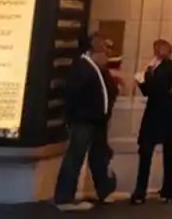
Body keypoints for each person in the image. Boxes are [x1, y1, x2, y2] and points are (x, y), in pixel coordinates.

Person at [54, 34, 119, 211]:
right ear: (94, 51)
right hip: (83, 121)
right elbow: (73, 95)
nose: (107, 56)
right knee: (75, 156)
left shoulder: (99, 70)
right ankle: (64, 197)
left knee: (99, 157)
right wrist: (74, 117)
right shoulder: (82, 68)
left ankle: (104, 191)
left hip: (98, 121)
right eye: (104, 52)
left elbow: (107, 90)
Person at [131, 39, 172, 205]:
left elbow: (159, 87)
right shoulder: (151, 66)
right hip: (153, 114)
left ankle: (168, 190)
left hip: (167, 114)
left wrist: (144, 80)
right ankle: (140, 190)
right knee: (145, 151)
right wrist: (142, 82)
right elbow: (148, 92)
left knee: (170, 153)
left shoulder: (170, 67)